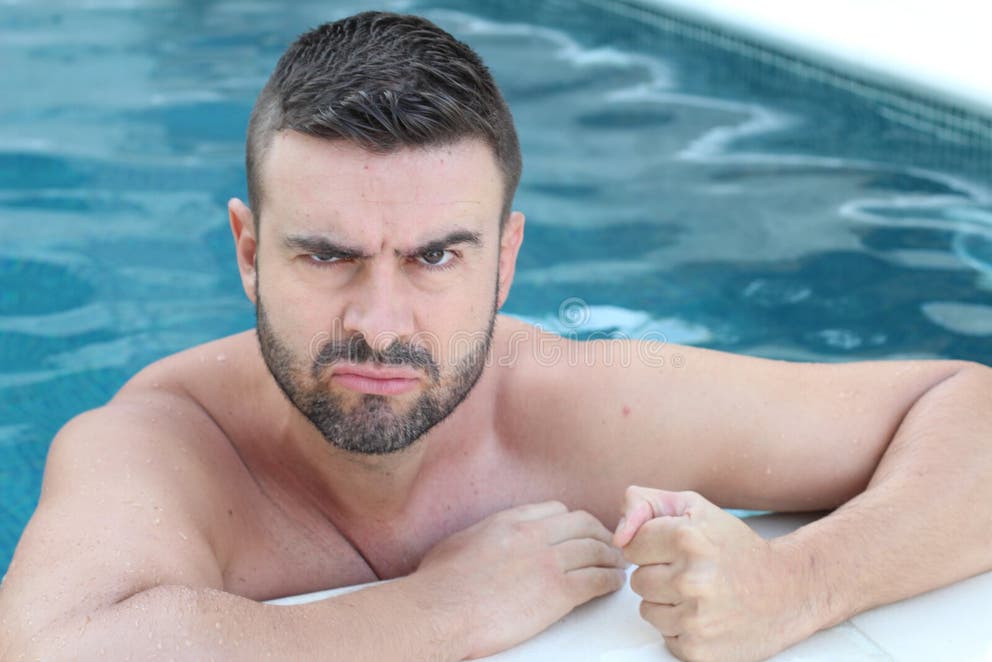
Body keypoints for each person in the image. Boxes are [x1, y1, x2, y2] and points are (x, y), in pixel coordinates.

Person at [1, 10, 990, 662]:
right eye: (325, 256)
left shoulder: (572, 408)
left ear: (506, 260)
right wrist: (441, 611)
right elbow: (52, 641)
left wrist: (790, 584)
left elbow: (964, 409)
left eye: (435, 256)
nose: (378, 324)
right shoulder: (164, 445)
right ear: (248, 251)